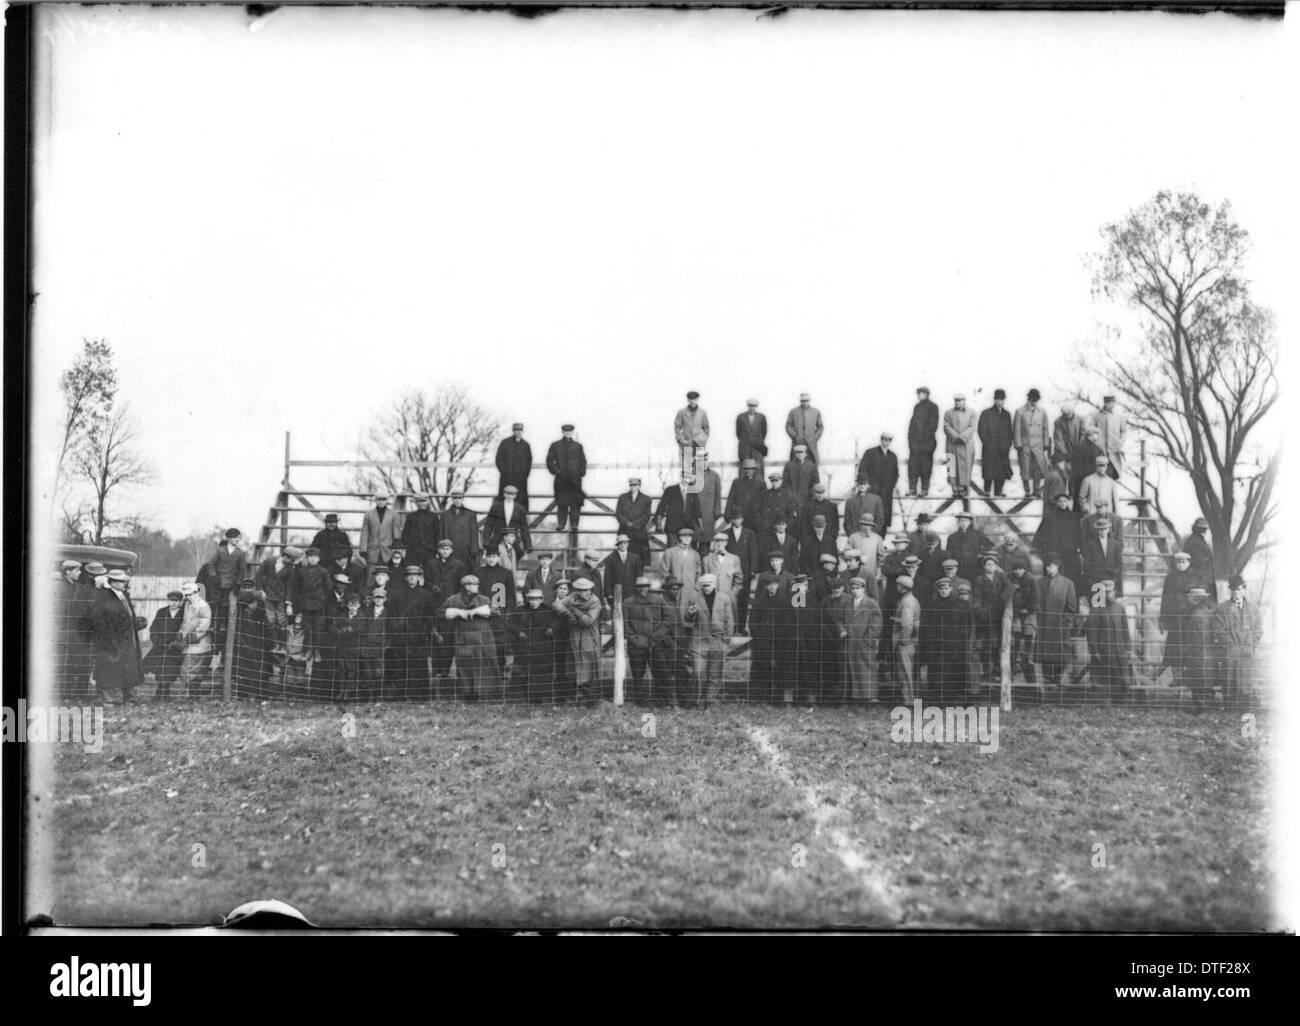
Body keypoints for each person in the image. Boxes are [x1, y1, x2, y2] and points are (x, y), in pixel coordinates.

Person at [441, 574, 502, 702]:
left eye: (476, 584)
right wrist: (459, 612)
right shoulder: (454, 600)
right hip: (463, 639)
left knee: (485, 664)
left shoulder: (484, 599)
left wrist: (476, 611)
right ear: (465, 586)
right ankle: (468, 694)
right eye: (472, 585)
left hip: (483, 638)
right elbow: (441, 613)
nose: (475, 587)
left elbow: (496, 612)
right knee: (465, 665)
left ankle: (487, 693)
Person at [684, 573, 734, 708]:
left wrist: (726, 642)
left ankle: (710, 701)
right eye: (703, 586)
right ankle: (696, 702)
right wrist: (690, 613)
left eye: (708, 585)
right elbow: (687, 619)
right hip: (699, 640)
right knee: (697, 673)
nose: (705, 588)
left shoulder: (724, 599)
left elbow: (729, 621)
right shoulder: (694, 597)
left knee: (714, 674)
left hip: (718, 641)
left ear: (714, 584)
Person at [1213, 574, 1262, 712]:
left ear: (1244, 589)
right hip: (1231, 650)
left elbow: (1258, 630)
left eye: (1239, 589)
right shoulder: (1222, 609)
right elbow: (1219, 631)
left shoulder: (1253, 609)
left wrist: (1251, 644)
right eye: (1233, 589)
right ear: (1230, 591)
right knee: (1230, 678)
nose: (1236, 592)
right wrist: (1230, 646)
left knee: (1247, 678)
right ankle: (1230, 706)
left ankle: (1246, 707)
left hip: (1247, 650)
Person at [389, 564, 436, 699]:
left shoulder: (426, 595)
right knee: (400, 666)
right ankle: (401, 695)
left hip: (418, 638)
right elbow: (391, 616)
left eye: (415, 576)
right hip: (401, 638)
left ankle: (419, 696)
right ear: (405, 578)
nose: (412, 578)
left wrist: (424, 632)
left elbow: (429, 618)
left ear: (419, 577)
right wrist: (397, 630)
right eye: (409, 576)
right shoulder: (397, 594)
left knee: (418, 667)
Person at [1084, 579, 1134, 703]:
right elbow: (1091, 632)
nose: (1108, 595)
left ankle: (1120, 699)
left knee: (1120, 676)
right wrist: (1094, 651)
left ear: (1114, 591)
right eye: (1104, 592)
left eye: (1110, 592)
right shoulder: (1096, 609)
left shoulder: (1120, 608)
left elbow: (1125, 630)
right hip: (1103, 651)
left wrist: (1128, 649)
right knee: (1102, 677)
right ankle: (1103, 700)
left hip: (1119, 650)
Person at [622, 577, 670, 704]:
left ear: (648, 587)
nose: (642, 589)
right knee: (637, 673)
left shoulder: (658, 600)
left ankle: (663, 699)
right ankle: (640, 700)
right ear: (635, 588)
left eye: (645, 586)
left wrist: (657, 636)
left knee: (660, 672)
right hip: (636, 644)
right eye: (639, 586)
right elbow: (623, 624)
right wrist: (633, 638)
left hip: (654, 643)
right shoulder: (628, 602)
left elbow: (669, 618)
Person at [559, 576, 603, 706]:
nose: (588, 592)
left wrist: (575, 611)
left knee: (588, 664)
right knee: (574, 664)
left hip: (588, 637)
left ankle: (590, 699)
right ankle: (575, 697)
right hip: (574, 636)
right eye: (584, 590)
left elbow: (588, 621)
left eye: (589, 590)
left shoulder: (595, 601)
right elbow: (557, 604)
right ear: (577, 591)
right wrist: (568, 614)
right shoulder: (572, 597)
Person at [1037, 554, 1078, 686]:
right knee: (1045, 652)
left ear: (1057, 566)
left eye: (1051, 566)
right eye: (1046, 566)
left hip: (1060, 624)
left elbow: (1072, 606)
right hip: (1044, 623)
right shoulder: (1040, 582)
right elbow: (1037, 602)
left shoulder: (1067, 583)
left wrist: (1065, 621)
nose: (1048, 568)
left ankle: (1058, 677)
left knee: (1061, 652)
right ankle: (1047, 677)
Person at [840, 576, 883, 703]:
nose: (855, 591)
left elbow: (877, 623)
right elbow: (839, 619)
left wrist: (868, 639)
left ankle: (870, 695)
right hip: (851, 642)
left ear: (863, 589)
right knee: (852, 668)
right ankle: (855, 695)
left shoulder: (871, 603)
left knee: (867, 668)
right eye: (852, 588)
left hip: (864, 642)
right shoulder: (846, 603)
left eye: (858, 588)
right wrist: (842, 630)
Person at [511, 588, 557, 703]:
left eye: (536, 599)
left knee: (543, 672)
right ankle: (524, 696)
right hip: (526, 647)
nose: (533, 602)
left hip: (543, 647)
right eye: (531, 599)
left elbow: (558, 620)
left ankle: (542, 696)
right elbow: (509, 623)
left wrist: (552, 628)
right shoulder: (521, 610)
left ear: (541, 600)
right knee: (524, 671)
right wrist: (518, 632)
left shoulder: (549, 610)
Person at [972, 554, 1013, 682]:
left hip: (998, 614)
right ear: (984, 566)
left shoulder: (1001, 577)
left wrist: (1002, 600)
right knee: (986, 644)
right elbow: (977, 597)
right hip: (985, 615)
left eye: (993, 564)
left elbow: (1009, 587)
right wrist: (979, 611)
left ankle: (997, 670)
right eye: (988, 564)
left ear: (996, 566)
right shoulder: (979, 580)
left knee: (998, 643)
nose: (991, 567)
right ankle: (987, 671)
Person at [288, 546, 331, 666]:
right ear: (307, 558)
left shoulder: (323, 571)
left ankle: (316, 651)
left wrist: (323, 600)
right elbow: (297, 588)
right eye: (311, 557)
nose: (313, 559)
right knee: (307, 628)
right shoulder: (302, 571)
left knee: (318, 628)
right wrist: (300, 602)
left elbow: (328, 588)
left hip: (319, 604)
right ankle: (307, 650)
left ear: (319, 559)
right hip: (306, 604)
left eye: (315, 557)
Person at [256, 544, 297, 669]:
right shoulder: (269, 561)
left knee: (281, 621)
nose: (291, 562)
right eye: (290, 559)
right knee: (270, 620)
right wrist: (260, 590)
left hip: (280, 598)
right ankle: (274, 645)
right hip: (268, 596)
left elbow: (290, 586)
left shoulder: (290, 568)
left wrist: (288, 603)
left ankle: (282, 646)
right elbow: (258, 575)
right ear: (285, 556)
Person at [56, 559, 93, 697]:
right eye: (76, 570)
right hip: (66, 631)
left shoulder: (79, 587)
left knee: (81, 661)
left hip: (79, 631)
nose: (79, 573)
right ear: (67, 571)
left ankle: (79, 693)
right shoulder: (59, 588)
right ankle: (65, 693)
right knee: (67, 663)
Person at [1033, 492, 1083, 591]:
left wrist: (1079, 547)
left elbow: (1078, 534)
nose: (1063, 503)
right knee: (1053, 573)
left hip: (1069, 552)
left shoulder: (1073, 517)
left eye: (1065, 501)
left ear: (1068, 502)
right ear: (1057, 503)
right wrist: (1045, 549)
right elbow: (1043, 533)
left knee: (1071, 574)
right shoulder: (1050, 517)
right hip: (1055, 551)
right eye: (1060, 501)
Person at [1158, 552, 1196, 683]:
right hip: (1174, 620)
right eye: (1178, 562)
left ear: (1188, 562)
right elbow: (1165, 599)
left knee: (1188, 650)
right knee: (1173, 651)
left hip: (1188, 620)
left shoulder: (1194, 577)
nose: (1180, 565)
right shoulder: (1170, 578)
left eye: (1183, 562)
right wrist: (1162, 619)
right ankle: (1176, 679)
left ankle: (1187, 679)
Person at [209, 527, 247, 655]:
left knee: (228, 607)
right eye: (235, 538)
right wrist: (214, 576)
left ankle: (225, 626)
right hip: (218, 583)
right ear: (229, 539)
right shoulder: (220, 550)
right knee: (216, 605)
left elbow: (242, 570)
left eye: (238, 538)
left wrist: (237, 584)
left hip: (231, 585)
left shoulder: (241, 553)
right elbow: (212, 564)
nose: (237, 540)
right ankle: (215, 625)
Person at [143, 589, 185, 700]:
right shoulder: (162, 612)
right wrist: (156, 640)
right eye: (171, 600)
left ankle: (164, 691)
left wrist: (177, 642)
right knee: (159, 668)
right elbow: (154, 627)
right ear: (168, 601)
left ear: (180, 602)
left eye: (176, 601)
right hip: (160, 646)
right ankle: (160, 691)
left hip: (175, 647)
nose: (173, 603)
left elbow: (185, 629)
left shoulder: (184, 613)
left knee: (170, 669)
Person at [748, 574, 783, 704]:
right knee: (761, 667)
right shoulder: (759, 601)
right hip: (762, 640)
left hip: (778, 639)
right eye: (769, 585)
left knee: (778, 667)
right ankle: (760, 696)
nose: (772, 587)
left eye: (774, 584)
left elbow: (786, 621)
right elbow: (753, 622)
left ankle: (777, 697)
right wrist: (759, 636)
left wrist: (779, 635)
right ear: (765, 586)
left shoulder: (783, 601)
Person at [723, 510, 760, 632]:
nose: (737, 521)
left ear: (743, 519)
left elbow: (754, 553)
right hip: (730, 574)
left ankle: (742, 627)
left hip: (745, 573)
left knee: (743, 601)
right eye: (734, 518)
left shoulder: (749, 534)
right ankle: (731, 627)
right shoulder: (725, 533)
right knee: (730, 601)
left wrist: (753, 570)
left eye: (739, 518)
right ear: (732, 520)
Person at [546, 423, 587, 533]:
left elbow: (583, 461)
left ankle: (574, 524)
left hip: (575, 480)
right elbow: (549, 461)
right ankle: (561, 523)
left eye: (570, 431)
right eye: (566, 431)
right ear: (562, 432)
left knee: (575, 503)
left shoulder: (578, 446)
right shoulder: (556, 445)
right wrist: (556, 471)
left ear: (572, 432)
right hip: (561, 479)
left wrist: (580, 473)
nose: (568, 433)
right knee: (562, 502)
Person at [232, 577, 269, 697]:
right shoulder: (237, 607)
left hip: (258, 641)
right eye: (245, 588)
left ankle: (260, 694)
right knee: (243, 668)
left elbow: (265, 623)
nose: (247, 590)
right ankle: (243, 694)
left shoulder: (261, 603)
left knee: (261, 668)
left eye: (250, 588)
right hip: (243, 641)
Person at [1180, 586, 1216, 711]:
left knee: (1198, 680)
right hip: (1208, 652)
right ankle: (1207, 705)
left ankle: (1201, 707)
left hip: (1198, 652)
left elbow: (1196, 637)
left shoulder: (1195, 615)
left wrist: (1189, 652)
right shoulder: (1208, 612)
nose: (1188, 600)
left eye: (1190, 598)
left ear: (1196, 600)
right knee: (1206, 679)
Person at [857, 432, 900, 534]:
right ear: (881, 440)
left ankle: (880, 542)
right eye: (885, 440)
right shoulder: (870, 453)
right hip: (872, 492)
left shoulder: (893, 456)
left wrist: (890, 487)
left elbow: (895, 474)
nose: (887, 442)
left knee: (883, 519)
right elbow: (862, 470)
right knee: (870, 517)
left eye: (889, 440)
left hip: (886, 495)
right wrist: (868, 486)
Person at [176, 580, 213, 698]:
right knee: (186, 669)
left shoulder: (203, 606)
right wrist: (180, 636)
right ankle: (192, 693)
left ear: (196, 593)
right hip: (188, 644)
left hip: (199, 645)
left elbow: (203, 626)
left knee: (194, 670)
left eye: (190, 594)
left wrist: (190, 638)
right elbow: (185, 623)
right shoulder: (187, 605)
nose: (188, 597)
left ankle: (194, 694)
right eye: (186, 595)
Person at [1013, 389, 1051, 498]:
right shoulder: (1020, 411)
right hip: (1025, 445)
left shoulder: (1042, 411)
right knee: (1025, 468)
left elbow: (1045, 428)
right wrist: (1018, 444)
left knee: (1038, 469)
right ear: (1028, 398)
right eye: (1032, 399)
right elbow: (1017, 429)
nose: (1033, 402)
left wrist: (1046, 443)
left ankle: (1037, 490)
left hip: (1038, 445)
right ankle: (1027, 490)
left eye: (1036, 400)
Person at [977, 390, 1014, 497]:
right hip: (990, 448)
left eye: (1001, 399)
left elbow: (1009, 432)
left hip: (1002, 449)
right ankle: (987, 490)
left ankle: (999, 490)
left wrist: (1007, 445)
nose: (999, 401)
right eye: (997, 399)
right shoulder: (986, 413)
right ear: (994, 399)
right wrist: (988, 444)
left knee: (1001, 470)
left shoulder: (1006, 415)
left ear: (1004, 400)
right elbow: (981, 430)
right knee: (989, 470)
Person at [1008, 560, 1040, 682]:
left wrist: (1028, 608)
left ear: (1024, 569)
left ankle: (1027, 657)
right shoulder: (1010, 578)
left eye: (1020, 569)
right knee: (1016, 632)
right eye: (1015, 569)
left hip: (1029, 611)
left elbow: (1035, 596)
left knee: (1028, 631)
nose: (1017, 572)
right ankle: (1016, 657)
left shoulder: (1031, 579)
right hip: (1015, 611)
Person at [1080, 515, 1124, 602]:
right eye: (1100, 529)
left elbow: (1119, 565)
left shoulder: (1115, 545)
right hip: (1096, 581)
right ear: (1097, 531)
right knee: (1098, 607)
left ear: (1108, 529)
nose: (1103, 531)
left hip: (1111, 581)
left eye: (1105, 529)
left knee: (1111, 606)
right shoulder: (1090, 545)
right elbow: (1087, 566)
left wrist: (1114, 577)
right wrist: (1094, 579)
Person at [907, 386, 940, 497]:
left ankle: (924, 489)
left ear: (926, 394)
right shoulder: (917, 407)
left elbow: (932, 426)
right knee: (913, 466)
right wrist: (911, 440)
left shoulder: (933, 407)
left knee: (925, 467)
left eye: (920, 393)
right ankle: (912, 488)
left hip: (926, 444)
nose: (918, 395)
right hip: (915, 444)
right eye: (918, 393)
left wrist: (923, 439)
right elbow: (913, 424)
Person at [892, 575, 920, 703]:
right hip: (910, 640)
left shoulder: (907, 601)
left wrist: (903, 640)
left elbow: (907, 623)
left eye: (899, 585)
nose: (897, 587)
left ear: (903, 587)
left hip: (906, 642)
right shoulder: (910, 599)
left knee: (906, 670)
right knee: (907, 669)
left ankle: (909, 699)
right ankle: (908, 698)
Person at [482, 484, 531, 557]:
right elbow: (488, 524)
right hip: (497, 539)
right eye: (507, 493)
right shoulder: (496, 507)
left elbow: (525, 528)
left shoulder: (520, 509)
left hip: (513, 541)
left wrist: (528, 545)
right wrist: (486, 541)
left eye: (512, 494)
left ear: (515, 495)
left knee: (515, 559)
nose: (509, 496)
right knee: (496, 560)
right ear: (504, 494)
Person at [943, 394, 977, 498]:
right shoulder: (948, 413)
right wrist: (955, 437)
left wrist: (962, 438)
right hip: (952, 445)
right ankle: (954, 488)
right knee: (952, 466)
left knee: (965, 466)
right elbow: (946, 426)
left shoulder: (972, 413)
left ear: (964, 401)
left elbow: (972, 427)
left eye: (959, 400)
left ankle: (963, 488)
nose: (957, 402)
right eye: (956, 400)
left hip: (965, 445)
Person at [655, 474, 701, 548]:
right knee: (672, 550)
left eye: (689, 478)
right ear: (681, 477)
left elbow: (697, 510)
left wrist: (700, 525)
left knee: (689, 551)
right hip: (673, 527)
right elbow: (661, 507)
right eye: (685, 477)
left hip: (688, 527)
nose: (686, 480)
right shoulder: (670, 490)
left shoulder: (693, 492)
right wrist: (658, 523)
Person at [494, 422, 533, 508]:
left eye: (520, 430)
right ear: (513, 431)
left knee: (520, 501)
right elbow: (498, 459)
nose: (518, 432)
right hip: (507, 477)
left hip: (520, 478)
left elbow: (529, 461)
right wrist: (504, 471)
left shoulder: (525, 445)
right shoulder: (505, 443)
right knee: (505, 499)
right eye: (516, 430)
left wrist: (525, 474)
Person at [615, 477, 654, 565]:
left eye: (635, 485)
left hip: (639, 531)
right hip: (625, 530)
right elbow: (618, 513)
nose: (633, 487)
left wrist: (634, 524)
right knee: (624, 555)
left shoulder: (646, 499)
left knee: (639, 556)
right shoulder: (622, 497)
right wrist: (626, 523)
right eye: (632, 485)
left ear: (639, 486)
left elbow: (646, 515)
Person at [1077, 454, 1120, 532]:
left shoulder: (1111, 482)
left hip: (1107, 515)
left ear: (1106, 467)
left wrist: (1115, 516)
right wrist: (1087, 509)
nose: (1102, 468)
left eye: (1104, 466)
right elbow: (1081, 498)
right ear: (1096, 466)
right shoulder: (1088, 480)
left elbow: (1115, 500)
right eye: (1100, 465)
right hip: (1092, 514)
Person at [360, 494, 403, 567]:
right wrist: (363, 549)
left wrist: (396, 550)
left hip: (388, 550)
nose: (381, 502)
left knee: (387, 574)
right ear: (376, 500)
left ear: (386, 501)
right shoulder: (369, 514)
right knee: (371, 575)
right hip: (372, 550)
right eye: (379, 500)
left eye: (383, 500)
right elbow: (365, 532)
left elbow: (396, 534)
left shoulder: (394, 514)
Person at [703, 532, 744, 608]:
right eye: (717, 541)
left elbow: (739, 579)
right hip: (712, 598)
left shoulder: (734, 559)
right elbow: (705, 579)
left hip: (728, 597)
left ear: (726, 543)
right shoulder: (707, 559)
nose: (719, 544)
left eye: (722, 542)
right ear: (714, 543)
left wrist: (733, 594)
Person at [693, 450, 724, 552]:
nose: (702, 463)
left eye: (704, 460)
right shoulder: (691, 476)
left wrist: (717, 513)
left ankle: (705, 567)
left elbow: (718, 496)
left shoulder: (714, 476)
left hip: (708, 516)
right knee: (692, 545)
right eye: (699, 461)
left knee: (705, 546)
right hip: (693, 517)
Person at [946, 510, 989, 583]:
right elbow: (949, 554)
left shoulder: (978, 535)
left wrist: (981, 554)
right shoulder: (952, 537)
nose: (963, 523)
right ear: (958, 522)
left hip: (974, 567)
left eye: (965, 521)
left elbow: (989, 545)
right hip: (959, 568)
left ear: (970, 522)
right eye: (961, 521)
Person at [441, 490, 481, 568]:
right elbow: (441, 533)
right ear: (452, 499)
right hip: (450, 548)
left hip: (466, 548)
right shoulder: (445, 515)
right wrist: (441, 549)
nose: (457, 500)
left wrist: (474, 549)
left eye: (459, 498)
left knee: (466, 569)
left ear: (463, 499)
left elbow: (474, 533)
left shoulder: (470, 514)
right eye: (455, 498)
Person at [401, 494, 443, 568]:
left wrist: (436, 550)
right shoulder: (411, 516)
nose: (422, 503)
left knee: (430, 571)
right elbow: (405, 534)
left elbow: (437, 534)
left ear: (428, 502)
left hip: (429, 550)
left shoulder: (433, 516)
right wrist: (406, 548)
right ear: (417, 503)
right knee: (413, 571)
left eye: (424, 501)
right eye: (420, 501)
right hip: (413, 551)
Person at [1089, 394, 1126, 478]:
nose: (1111, 405)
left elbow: (1123, 431)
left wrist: (1121, 442)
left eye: (1113, 402)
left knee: (1114, 474)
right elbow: (1091, 429)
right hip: (1100, 451)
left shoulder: (1120, 416)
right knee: (1101, 474)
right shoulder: (1096, 415)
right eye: (1109, 403)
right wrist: (1095, 440)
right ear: (1105, 403)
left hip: (1114, 451)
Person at [604, 535, 644, 608]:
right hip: (616, 592)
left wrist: (639, 591)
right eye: (620, 543)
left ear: (628, 544)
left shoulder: (635, 558)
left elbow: (639, 576)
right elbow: (607, 577)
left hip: (631, 592)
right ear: (617, 545)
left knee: (631, 611)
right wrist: (608, 593)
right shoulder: (611, 558)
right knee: (617, 612)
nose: (623, 545)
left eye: (625, 543)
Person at [758, 470, 800, 538]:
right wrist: (762, 523)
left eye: (776, 480)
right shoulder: (766, 494)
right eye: (772, 481)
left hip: (782, 529)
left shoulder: (787, 495)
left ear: (781, 481)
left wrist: (784, 526)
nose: (774, 483)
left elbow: (791, 515)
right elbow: (759, 511)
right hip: (768, 529)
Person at [725, 458, 765, 529]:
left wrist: (762, 518)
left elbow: (764, 502)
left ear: (754, 469)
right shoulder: (737, 482)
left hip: (755, 518)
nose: (747, 471)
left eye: (750, 469)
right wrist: (728, 515)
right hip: (740, 518)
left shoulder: (760, 483)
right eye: (746, 469)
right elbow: (730, 500)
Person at [785, 393, 824, 462]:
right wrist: (794, 436)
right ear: (800, 401)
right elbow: (788, 426)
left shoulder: (815, 412)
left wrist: (815, 437)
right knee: (795, 464)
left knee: (812, 464)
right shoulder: (793, 412)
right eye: (803, 401)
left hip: (811, 444)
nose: (805, 403)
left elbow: (820, 427)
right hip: (797, 442)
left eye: (806, 400)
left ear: (809, 401)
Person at [1070, 425, 1107, 498]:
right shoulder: (1095, 449)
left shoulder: (1079, 446)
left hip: (1079, 479)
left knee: (1079, 500)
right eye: (1096, 434)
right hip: (1090, 479)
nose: (1098, 436)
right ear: (1091, 435)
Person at [674, 390, 710, 463]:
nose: (693, 401)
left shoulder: (702, 413)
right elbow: (677, 427)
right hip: (686, 443)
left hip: (699, 444)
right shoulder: (681, 412)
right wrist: (680, 440)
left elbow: (706, 428)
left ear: (697, 400)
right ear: (688, 400)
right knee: (687, 470)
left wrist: (703, 438)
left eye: (695, 399)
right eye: (691, 399)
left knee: (699, 469)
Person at [736, 399, 768, 473]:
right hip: (745, 448)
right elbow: (738, 433)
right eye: (750, 406)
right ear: (748, 406)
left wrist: (756, 442)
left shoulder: (761, 417)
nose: (752, 408)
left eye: (754, 406)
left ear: (756, 407)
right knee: (744, 469)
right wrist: (746, 440)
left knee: (758, 469)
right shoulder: (741, 417)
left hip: (758, 448)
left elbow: (764, 433)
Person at [1185, 517, 1215, 596]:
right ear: (1196, 529)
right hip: (1198, 581)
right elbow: (1199, 562)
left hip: (1204, 579)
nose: (1204, 531)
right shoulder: (1195, 542)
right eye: (1201, 529)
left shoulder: (1199, 541)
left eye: (1204, 529)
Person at [1052, 403, 1084, 473]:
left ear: (1072, 411)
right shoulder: (1058, 422)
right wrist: (1065, 453)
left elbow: (1083, 435)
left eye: (1068, 415)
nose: (1067, 417)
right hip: (1064, 451)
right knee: (1064, 471)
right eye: (1065, 415)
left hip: (1078, 450)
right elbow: (1058, 439)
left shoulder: (1081, 419)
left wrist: (1079, 449)